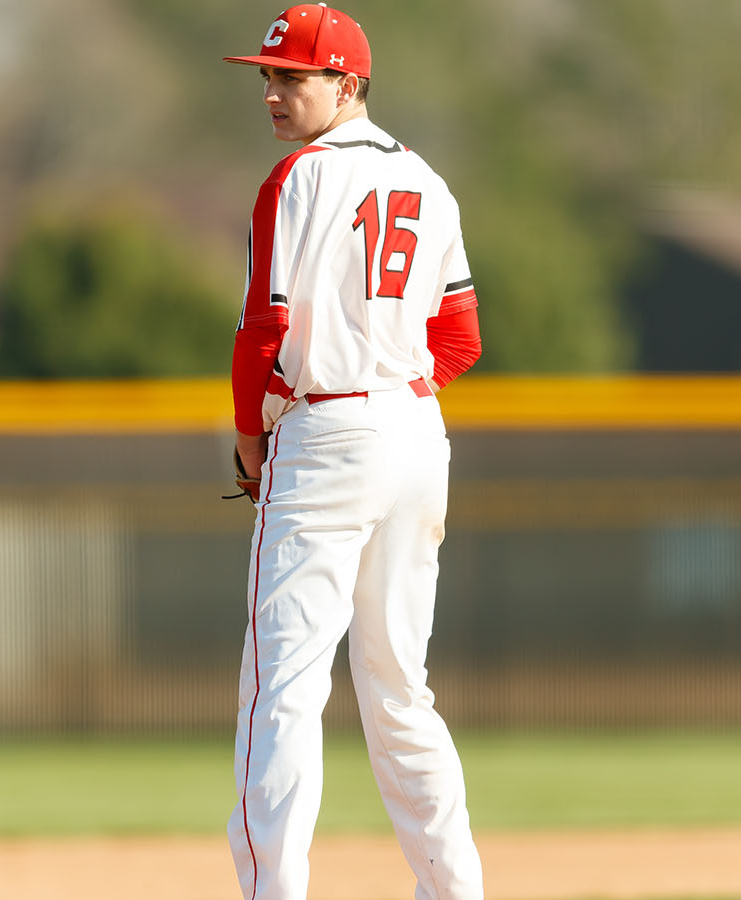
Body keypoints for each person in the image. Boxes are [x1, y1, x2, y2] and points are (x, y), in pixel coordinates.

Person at [222, 5, 486, 899]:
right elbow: (460, 340)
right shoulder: (429, 180)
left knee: (284, 688)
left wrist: (252, 436)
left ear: (348, 83)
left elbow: (264, 329)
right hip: (417, 432)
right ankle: (455, 890)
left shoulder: (297, 178)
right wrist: (393, 388)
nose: (273, 91)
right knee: (398, 687)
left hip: (328, 431)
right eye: (269, 76)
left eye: (294, 76)